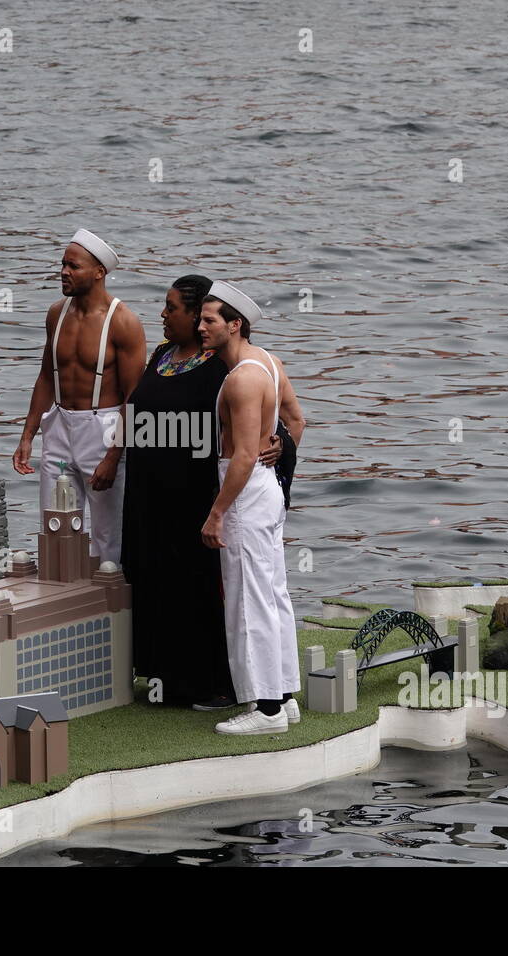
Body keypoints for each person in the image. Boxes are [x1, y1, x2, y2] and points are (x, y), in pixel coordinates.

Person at [122, 275, 280, 710]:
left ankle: (216, 683)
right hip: (149, 495)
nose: (163, 315)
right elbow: (132, 412)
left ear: (198, 317)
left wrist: (278, 440)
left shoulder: (224, 366)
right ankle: (162, 678)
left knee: (200, 585)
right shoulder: (160, 356)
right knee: (153, 579)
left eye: (172, 308)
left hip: (197, 496)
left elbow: (264, 419)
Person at [198, 280, 301, 734]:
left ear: (234, 325)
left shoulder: (242, 379)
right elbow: (296, 420)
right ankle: (286, 697)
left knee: (247, 601)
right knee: (273, 593)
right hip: (266, 489)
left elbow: (241, 455)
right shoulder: (271, 365)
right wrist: (281, 444)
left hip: (245, 493)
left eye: (209, 321)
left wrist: (217, 512)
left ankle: (267, 711)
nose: (200, 328)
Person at [13, 230, 146, 564]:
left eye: (73, 266)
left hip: (103, 427)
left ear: (98, 272)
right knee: (55, 523)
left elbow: (135, 396)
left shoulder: (124, 322)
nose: (63, 272)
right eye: (62, 264)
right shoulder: (56, 313)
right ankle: (58, 596)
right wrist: (28, 436)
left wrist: (114, 456)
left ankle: (110, 604)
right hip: (58, 425)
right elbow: (46, 376)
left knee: (106, 533)